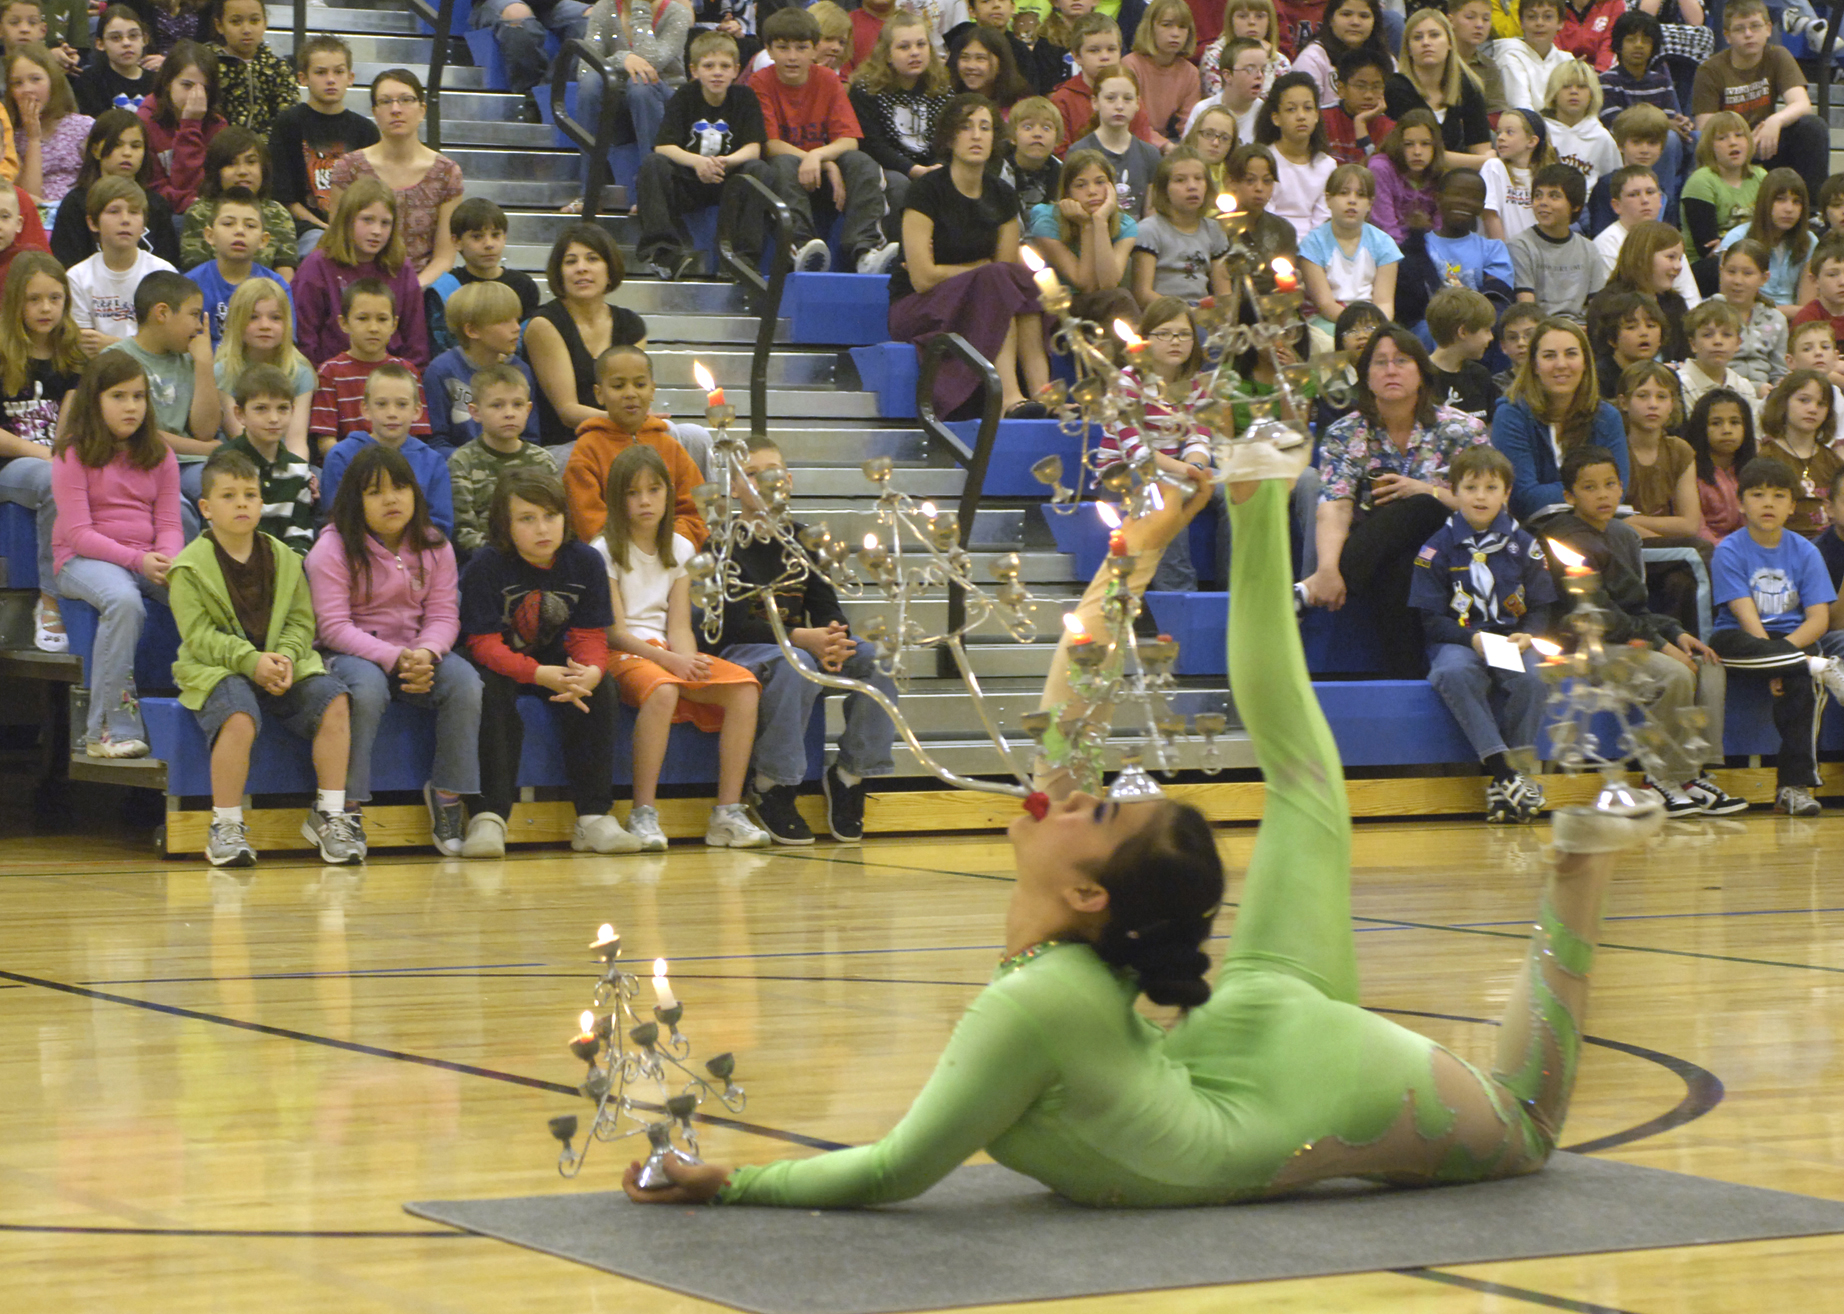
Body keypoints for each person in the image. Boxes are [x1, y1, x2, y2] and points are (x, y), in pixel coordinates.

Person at [619, 452, 1664, 1211]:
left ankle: (1577, 867)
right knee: (1303, 779)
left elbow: (896, 1170)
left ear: (1090, 895)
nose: (1067, 791)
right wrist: (1143, 543)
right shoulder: (1068, 955)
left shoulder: (1035, 1001)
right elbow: (1077, 694)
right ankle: (1263, 498)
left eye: (1097, 809)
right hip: (1257, 1047)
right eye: (1100, 798)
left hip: (1301, 1077)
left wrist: (732, 1181)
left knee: (1523, 1132)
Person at [171, 445, 360, 867]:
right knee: (237, 715)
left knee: (335, 701)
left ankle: (330, 814)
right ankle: (225, 825)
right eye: (229, 495)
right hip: (217, 670)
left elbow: (301, 621)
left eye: (250, 495)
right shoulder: (188, 567)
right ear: (205, 507)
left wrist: (287, 657)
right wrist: (250, 661)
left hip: (282, 667)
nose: (242, 503)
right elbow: (199, 637)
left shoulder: (285, 557)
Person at [702, 434, 896, 843]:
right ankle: (772, 785)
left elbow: (827, 605)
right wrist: (803, 639)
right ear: (733, 488)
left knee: (878, 658)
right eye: (749, 475)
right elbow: (730, 625)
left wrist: (833, 637)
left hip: (800, 642)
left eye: (770, 474)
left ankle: (850, 775)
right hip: (740, 649)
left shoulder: (805, 540)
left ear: (787, 480)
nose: (760, 483)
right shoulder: (721, 543)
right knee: (798, 663)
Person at [1544, 442, 1742, 816]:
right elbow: (1598, 614)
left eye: (1609, 484)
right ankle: (1658, 779)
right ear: (1570, 495)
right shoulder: (1564, 537)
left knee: (1710, 664)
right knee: (1673, 673)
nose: (1602, 494)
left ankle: (1691, 774)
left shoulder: (1623, 534)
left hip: (1629, 635)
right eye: (1589, 487)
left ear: (1621, 488)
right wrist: (1660, 645)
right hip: (1586, 645)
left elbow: (1637, 607)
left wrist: (1674, 632)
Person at [308, 441, 483, 859]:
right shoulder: (330, 549)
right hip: (353, 654)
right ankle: (344, 809)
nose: (391, 499)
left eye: (400, 488)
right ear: (355, 500)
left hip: (415, 653)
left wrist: (427, 652)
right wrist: (391, 656)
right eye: (375, 492)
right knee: (366, 689)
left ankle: (447, 796)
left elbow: (444, 615)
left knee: (466, 683)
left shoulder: (434, 544)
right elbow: (332, 627)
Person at [458, 466, 640, 857]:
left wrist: (590, 671)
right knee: (488, 691)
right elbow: (483, 644)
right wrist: (538, 674)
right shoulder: (485, 566)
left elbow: (590, 634)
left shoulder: (586, 561)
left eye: (551, 516)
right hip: (501, 661)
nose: (543, 528)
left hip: (558, 657)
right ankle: (488, 817)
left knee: (602, 688)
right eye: (527, 519)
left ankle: (594, 817)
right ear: (504, 525)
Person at [595, 444, 770, 850]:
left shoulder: (682, 548)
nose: (644, 501)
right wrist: (669, 662)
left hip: (666, 650)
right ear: (617, 499)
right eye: (633, 493)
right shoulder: (602, 550)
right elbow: (615, 633)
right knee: (664, 688)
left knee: (744, 686)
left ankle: (727, 813)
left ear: (668, 495)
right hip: (626, 654)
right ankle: (642, 813)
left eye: (654, 490)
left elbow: (679, 625)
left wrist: (687, 658)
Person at [1302, 325, 1490, 678]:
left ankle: (1310, 592)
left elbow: (1488, 506)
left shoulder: (1464, 430)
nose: (1391, 370)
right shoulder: (1345, 433)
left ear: (1421, 372)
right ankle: (1404, 681)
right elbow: (1335, 504)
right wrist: (1327, 567)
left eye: (1402, 361)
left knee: (1423, 506)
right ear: (1366, 377)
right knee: (1403, 564)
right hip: (1383, 556)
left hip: (1455, 549)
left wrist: (1425, 490)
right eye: (1380, 362)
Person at [1408, 444, 1553, 823]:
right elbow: (1430, 618)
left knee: (1534, 677)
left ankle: (1514, 776)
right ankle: (1506, 774)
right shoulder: (1435, 549)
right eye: (1471, 488)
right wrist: (1470, 639)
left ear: (1506, 494)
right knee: (1452, 673)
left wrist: (1528, 635)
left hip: (1508, 638)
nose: (1481, 496)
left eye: (1491, 488)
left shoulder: (1524, 545)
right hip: (1460, 639)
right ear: (1454, 493)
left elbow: (1541, 606)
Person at [51, 351, 182, 758]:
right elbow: (79, 534)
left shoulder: (160, 453)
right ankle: (106, 729)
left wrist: (168, 561)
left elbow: (171, 524)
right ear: (95, 401)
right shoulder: (71, 452)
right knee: (125, 602)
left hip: (144, 557)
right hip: (81, 560)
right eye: (119, 397)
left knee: (200, 593)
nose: (131, 407)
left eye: (139, 397)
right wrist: (137, 561)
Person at [893, 94, 1049, 419]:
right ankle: (1008, 397)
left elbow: (1007, 272)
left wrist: (971, 272)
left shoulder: (1002, 194)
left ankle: (1045, 395)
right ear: (950, 138)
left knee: (1021, 280)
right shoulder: (926, 190)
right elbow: (922, 278)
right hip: (918, 305)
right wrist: (977, 270)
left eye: (985, 127)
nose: (977, 136)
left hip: (979, 296)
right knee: (996, 279)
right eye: (966, 127)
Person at [1707, 455, 1836, 816]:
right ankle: (1816, 665)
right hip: (1739, 639)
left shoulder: (1806, 551)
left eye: (1779, 495)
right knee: (1803, 667)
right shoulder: (1729, 550)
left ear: (1792, 505)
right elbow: (1743, 613)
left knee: (1803, 682)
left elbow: (1818, 619)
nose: (1768, 503)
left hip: (1791, 639)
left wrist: (1780, 661)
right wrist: (1774, 660)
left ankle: (1793, 787)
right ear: (1741, 502)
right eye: (1758, 494)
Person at [747, 6, 895, 275]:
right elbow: (769, 145)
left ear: (814, 50)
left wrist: (817, 157)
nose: (792, 57)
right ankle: (801, 247)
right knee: (782, 163)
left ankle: (865, 251)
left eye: (802, 48)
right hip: (790, 172)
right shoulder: (760, 82)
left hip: (821, 172)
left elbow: (849, 140)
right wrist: (824, 162)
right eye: (783, 48)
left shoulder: (827, 79)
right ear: (768, 50)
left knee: (861, 162)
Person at [631, 28, 773, 281]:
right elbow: (664, 146)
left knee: (759, 170)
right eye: (708, 66)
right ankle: (664, 254)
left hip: (729, 181)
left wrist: (724, 162)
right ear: (694, 70)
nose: (717, 72)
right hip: (690, 180)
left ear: (736, 70)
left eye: (724, 66)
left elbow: (754, 148)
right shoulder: (685, 96)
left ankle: (741, 259)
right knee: (654, 164)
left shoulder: (745, 96)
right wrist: (698, 162)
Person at [1096, 295, 1214, 588]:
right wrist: (1187, 472)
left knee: (1239, 490)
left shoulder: (1196, 384)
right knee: (1166, 489)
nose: (1175, 341)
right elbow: (1137, 452)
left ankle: (1233, 583)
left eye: (1184, 334)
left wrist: (1196, 464)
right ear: (1145, 339)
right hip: (1123, 474)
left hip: (1180, 469)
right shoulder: (1126, 382)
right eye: (1164, 334)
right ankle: (1178, 591)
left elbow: (1200, 436)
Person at [0, 248, 82, 650]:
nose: (46, 308)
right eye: (34, 299)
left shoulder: (73, 355)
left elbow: (69, 429)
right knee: (54, 478)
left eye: (55, 298)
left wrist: (58, 455)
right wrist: (42, 454)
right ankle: (49, 598)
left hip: (56, 460)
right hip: (10, 466)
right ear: (17, 301)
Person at [326, 70, 463, 287]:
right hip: (358, 287)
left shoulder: (447, 172)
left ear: (422, 110)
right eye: (386, 101)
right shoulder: (348, 167)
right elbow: (336, 241)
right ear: (375, 112)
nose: (396, 109)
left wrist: (410, 291)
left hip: (421, 288)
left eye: (406, 100)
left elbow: (444, 257)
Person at [523, 222, 648, 451]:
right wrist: (625, 423)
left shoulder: (631, 326)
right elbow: (567, 411)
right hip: (567, 445)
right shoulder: (544, 324)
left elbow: (635, 396)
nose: (581, 268)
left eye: (592, 259)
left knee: (693, 435)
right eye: (571, 261)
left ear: (610, 270)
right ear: (560, 274)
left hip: (620, 435)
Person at [1490, 314, 1627, 519]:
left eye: (1571, 354)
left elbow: (1618, 490)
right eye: (1549, 356)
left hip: (1600, 527)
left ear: (1585, 363)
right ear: (1535, 365)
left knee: (1684, 551)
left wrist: (1583, 491)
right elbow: (1524, 498)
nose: (1561, 364)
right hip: (1534, 535)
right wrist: (1592, 488)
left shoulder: (1607, 416)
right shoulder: (1511, 415)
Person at [1692, 0, 1827, 200]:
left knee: (1812, 127)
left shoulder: (1778, 55)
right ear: (1727, 36)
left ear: (1768, 29)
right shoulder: (1710, 70)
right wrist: (1743, 142)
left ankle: (1813, 208)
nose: (1748, 34)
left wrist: (1775, 120)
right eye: (1740, 29)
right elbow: (1705, 128)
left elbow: (1802, 104)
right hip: (1730, 149)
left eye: (1755, 26)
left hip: (1767, 143)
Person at [104, 270, 219, 502]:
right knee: (184, 504)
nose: (199, 326)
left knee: (227, 491)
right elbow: (136, 434)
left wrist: (205, 364)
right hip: (138, 461)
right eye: (194, 315)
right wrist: (204, 449)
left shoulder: (191, 360)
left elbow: (205, 431)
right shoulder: (116, 359)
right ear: (162, 313)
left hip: (189, 464)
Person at [291, 177, 429, 368]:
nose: (377, 231)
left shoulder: (401, 268)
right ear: (347, 220)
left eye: (385, 223)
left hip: (390, 379)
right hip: (330, 378)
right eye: (367, 220)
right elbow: (304, 339)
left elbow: (416, 341)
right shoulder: (317, 266)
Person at [268, 34, 378, 261]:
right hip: (305, 229)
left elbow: (372, 195)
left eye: (338, 72)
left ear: (351, 77)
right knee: (321, 250)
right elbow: (285, 198)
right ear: (303, 77)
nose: (331, 79)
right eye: (320, 72)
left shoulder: (366, 130)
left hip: (357, 229)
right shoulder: (288, 124)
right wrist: (325, 228)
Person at [572, 0, 691, 205]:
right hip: (619, 100)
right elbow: (585, 67)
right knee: (591, 83)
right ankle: (591, 191)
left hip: (664, 100)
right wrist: (623, 58)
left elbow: (649, 62)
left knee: (641, 83)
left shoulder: (676, 13)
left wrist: (640, 9)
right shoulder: (604, 8)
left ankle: (653, 193)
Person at [849, 11, 952, 242]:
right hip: (886, 168)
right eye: (904, 47)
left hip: (931, 166)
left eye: (921, 44)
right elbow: (872, 144)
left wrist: (937, 167)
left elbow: (947, 139)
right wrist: (912, 169)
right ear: (887, 54)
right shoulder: (867, 89)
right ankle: (898, 252)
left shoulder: (942, 88)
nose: (915, 52)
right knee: (899, 184)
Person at [320, 363, 451, 537]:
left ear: (417, 411)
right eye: (381, 404)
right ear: (365, 410)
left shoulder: (433, 461)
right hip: (357, 552)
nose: (391, 413)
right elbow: (337, 519)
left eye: (402, 404)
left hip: (417, 554)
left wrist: (403, 550)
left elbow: (440, 524)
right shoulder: (341, 456)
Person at [307, 278, 431, 456]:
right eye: (363, 318)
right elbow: (325, 440)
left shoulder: (407, 372)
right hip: (350, 468)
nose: (373, 328)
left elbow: (417, 436)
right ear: (344, 323)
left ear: (394, 325)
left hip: (400, 466)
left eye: (382, 319)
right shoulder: (330, 372)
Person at [49, 109, 181, 269]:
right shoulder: (76, 204)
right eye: (116, 145)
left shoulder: (157, 205)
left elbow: (169, 268)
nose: (127, 153)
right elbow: (66, 266)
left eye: (136, 146)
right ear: (96, 150)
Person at [449, 362, 556, 557]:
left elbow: (557, 518)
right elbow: (462, 533)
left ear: (528, 409)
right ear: (475, 412)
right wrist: (509, 553)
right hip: (488, 561)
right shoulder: (461, 462)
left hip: (540, 555)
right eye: (497, 405)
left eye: (517, 404)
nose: (509, 413)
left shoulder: (542, 460)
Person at [1393, 167, 1513, 330]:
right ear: (1438, 198)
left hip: (1477, 329)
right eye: (1456, 194)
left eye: (1473, 197)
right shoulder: (1418, 246)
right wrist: (1415, 239)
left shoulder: (1493, 249)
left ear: (1481, 207)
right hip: (1430, 331)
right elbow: (1410, 304)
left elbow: (1497, 299)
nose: (1464, 201)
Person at [425, 280, 537, 455]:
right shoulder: (441, 370)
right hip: (459, 470)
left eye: (517, 319)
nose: (516, 328)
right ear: (472, 330)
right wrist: (474, 463)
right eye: (504, 321)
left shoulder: (521, 370)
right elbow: (436, 441)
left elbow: (530, 438)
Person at [67, 176, 176, 350]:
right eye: (114, 211)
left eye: (134, 212)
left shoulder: (163, 273)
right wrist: (139, 346)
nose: (125, 219)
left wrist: (116, 345)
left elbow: (166, 342)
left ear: (143, 226)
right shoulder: (77, 277)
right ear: (93, 223)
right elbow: (84, 345)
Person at [177, 127, 297, 279]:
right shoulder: (199, 212)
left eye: (251, 162)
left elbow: (285, 274)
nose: (242, 171)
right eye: (231, 164)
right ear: (216, 171)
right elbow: (197, 274)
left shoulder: (278, 213)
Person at [214, 276, 313, 459]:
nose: (265, 326)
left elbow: (296, 441)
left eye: (275, 318)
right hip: (239, 463)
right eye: (253, 317)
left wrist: (297, 476)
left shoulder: (300, 372)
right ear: (237, 322)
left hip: (285, 461)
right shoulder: (223, 372)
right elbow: (240, 436)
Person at [221, 362, 312, 555]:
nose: (273, 418)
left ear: (293, 411)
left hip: (285, 568)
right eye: (261, 408)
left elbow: (300, 534)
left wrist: (289, 570)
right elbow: (216, 529)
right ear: (240, 414)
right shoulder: (223, 463)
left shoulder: (298, 469)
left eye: (282, 408)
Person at [1027, 147, 1137, 303]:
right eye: (1080, 185)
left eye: (1100, 182)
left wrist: (1100, 221)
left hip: (1103, 303)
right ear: (1067, 192)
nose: (1092, 191)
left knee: (1120, 298)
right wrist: (1086, 226)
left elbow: (1109, 284)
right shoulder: (1047, 220)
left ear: (1112, 187)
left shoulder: (1126, 224)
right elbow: (1085, 285)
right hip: (1060, 307)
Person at [1385, 8, 1492, 167]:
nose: (1426, 42)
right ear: (1408, 49)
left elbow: (1481, 148)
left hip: (1456, 177)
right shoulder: (1396, 87)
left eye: (1434, 35)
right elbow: (1421, 155)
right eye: (1417, 37)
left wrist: (1485, 161)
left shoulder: (1468, 85)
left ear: (1450, 42)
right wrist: (1482, 161)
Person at [1299, 159, 1399, 328]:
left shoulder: (1384, 244)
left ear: (1370, 203)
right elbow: (1325, 305)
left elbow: (1385, 303)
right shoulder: (1312, 244)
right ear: (1328, 199)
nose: (1352, 200)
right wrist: (1358, 326)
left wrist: (1374, 327)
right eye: (1344, 193)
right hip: (1328, 320)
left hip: (1372, 320)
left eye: (1360, 195)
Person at [424, 196, 542, 336]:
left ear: (504, 238)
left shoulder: (524, 286)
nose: (489, 244)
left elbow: (527, 340)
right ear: (457, 241)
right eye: (477, 237)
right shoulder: (446, 289)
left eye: (495, 235)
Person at [185, 187, 286, 348]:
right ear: (209, 235)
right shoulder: (190, 285)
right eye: (228, 223)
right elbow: (185, 345)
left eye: (250, 226)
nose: (239, 231)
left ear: (263, 240)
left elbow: (286, 343)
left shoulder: (277, 285)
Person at [1131, 146, 1231, 306]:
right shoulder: (1149, 230)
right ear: (1164, 190)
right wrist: (1184, 312)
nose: (1192, 186)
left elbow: (1224, 294)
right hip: (1164, 314)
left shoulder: (1214, 230)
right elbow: (1142, 294)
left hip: (1203, 312)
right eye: (1180, 180)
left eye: (1198, 178)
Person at [1590, 167, 1698, 315]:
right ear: (1617, 205)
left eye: (1650, 192)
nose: (1645, 200)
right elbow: (1613, 301)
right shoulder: (1606, 243)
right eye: (1633, 194)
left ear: (1660, 200)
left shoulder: (1669, 240)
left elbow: (1690, 298)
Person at [136, 39, 225, 213]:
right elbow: (153, 188)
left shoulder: (217, 125)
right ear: (168, 82)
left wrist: (191, 123)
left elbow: (207, 185)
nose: (195, 95)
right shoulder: (145, 122)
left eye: (204, 89)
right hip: (161, 212)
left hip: (207, 210)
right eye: (186, 85)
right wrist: (190, 124)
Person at [1617, 357, 1703, 538]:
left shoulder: (1680, 450)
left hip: (1667, 546)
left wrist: (1630, 522)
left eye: (1662, 396)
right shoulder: (1613, 448)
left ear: (1672, 404)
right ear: (1624, 402)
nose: (1653, 404)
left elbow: (1689, 524)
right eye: (1642, 395)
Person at [1587, 218, 1694, 360]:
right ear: (1643, 257)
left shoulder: (1675, 304)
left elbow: (1685, 358)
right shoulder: (1608, 303)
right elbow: (1601, 360)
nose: (1678, 266)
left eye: (1679, 259)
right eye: (1671, 257)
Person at [471, 0, 592, 125]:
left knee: (592, 17)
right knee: (517, 15)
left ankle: (548, 94)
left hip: (552, 5)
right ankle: (530, 97)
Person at [1048, 14, 1155, 150]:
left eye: (1111, 49)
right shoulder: (1063, 100)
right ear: (1076, 56)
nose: (1105, 57)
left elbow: (1143, 150)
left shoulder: (1129, 97)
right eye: (1094, 50)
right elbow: (1060, 152)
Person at [1756, 368, 1840, 539]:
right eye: (1804, 400)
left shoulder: (1833, 461)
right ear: (1784, 403)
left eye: (1821, 404)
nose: (1813, 409)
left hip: (1829, 545)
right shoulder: (1767, 459)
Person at [6, 40, 90, 206]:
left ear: (53, 81)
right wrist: (33, 137)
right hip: (38, 218)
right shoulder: (10, 137)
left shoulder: (83, 127)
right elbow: (29, 199)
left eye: (36, 79)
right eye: (18, 83)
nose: (27, 89)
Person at [1067, 67, 1159, 219]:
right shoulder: (1079, 152)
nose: (1119, 106)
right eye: (1110, 98)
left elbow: (1151, 213)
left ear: (1137, 103)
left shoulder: (1150, 154)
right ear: (1095, 102)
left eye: (1127, 98)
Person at [1716, 169, 1812, 312]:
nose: (1789, 209)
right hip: (1745, 318)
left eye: (1796, 202)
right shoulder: (1736, 238)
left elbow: (1806, 308)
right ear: (1765, 202)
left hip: (1794, 324)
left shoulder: (1810, 240)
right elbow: (1730, 298)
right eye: (1780, 199)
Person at [1255, 70, 1333, 241]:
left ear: (1316, 116)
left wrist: (1310, 253)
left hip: (1314, 248)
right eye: (1291, 109)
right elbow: (1265, 216)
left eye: (1308, 108)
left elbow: (1323, 219)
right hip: (1272, 242)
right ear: (1276, 118)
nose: (1301, 116)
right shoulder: (1263, 160)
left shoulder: (1327, 165)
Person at [204, 0, 295, 143]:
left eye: (254, 20)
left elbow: (287, 118)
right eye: (236, 22)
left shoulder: (278, 67)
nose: (246, 29)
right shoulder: (207, 64)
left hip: (267, 154)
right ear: (219, 25)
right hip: (218, 151)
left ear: (265, 22)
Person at [1581, 104, 1678, 239]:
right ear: (1620, 145)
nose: (1645, 149)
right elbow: (1601, 234)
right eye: (1637, 142)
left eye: (1652, 143)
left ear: (1662, 147)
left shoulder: (1662, 193)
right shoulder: (1607, 185)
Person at [1678, 110, 1762, 265]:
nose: (1733, 142)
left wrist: (1725, 242)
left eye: (1739, 135)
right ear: (1710, 147)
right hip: (1707, 265)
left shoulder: (1761, 176)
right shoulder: (1701, 181)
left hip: (1754, 258)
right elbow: (1707, 249)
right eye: (1722, 138)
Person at [1123, 0, 1199, 146]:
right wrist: (1165, 146)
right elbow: (1132, 122)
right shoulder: (1130, 65)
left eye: (1182, 27)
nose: (1175, 33)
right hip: (1132, 141)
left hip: (1171, 143)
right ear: (1150, 28)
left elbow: (1188, 125)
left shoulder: (1190, 72)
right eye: (1167, 25)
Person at [1685, 386, 1754, 545]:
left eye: (1735, 422)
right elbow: (1697, 529)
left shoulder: (1755, 470)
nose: (1727, 430)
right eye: (1716, 423)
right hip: (1706, 552)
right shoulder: (1689, 471)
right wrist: (1727, 553)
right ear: (1701, 428)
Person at [1290, 0, 1389, 108]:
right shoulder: (1312, 59)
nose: (1355, 22)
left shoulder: (1386, 58)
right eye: (1346, 14)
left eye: (1364, 16)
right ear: (1330, 19)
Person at [1720, 240, 1788, 396]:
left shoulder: (1776, 319)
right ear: (1721, 272)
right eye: (1731, 272)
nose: (1738, 281)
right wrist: (1754, 389)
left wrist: (1777, 391)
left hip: (1766, 397)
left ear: (1764, 278)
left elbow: (1779, 371)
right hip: (1723, 394)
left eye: (1747, 273)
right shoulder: (1708, 314)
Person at [1541, 57, 1617, 194]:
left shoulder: (1602, 137)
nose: (1574, 91)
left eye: (1581, 87)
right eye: (1566, 86)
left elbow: (1614, 183)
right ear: (1554, 93)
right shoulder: (1540, 132)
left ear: (1592, 94)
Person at [1424, 286, 1500, 422]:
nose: (1491, 337)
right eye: (1487, 330)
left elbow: (1489, 429)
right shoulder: (1421, 377)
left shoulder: (1480, 375)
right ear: (1463, 332)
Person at [1364, 108, 1440, 242]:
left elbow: (1440, 231)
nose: (1417, 152)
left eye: (1425, 144)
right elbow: (1385, 228)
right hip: (1388, 250)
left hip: (1430, 252)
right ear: (1398, 144)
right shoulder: (1381, 168)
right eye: (1408, 144)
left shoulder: (1441, 173)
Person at [1674, 299, 1757, 416]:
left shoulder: (1744, 387)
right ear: (1693, 344)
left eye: (1726, 335)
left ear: (1738, 343)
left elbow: (1752, 432)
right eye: (1707, 335)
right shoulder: (1680, 385)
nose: (1718, 341)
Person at [1481, 107, 1552, 242]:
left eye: (1510, 132)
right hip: (1502, 254)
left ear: (1531, 141)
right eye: (1499, 132)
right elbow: (1490, 216)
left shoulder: (1545, 174)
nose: (1501, 138)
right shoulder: (1494, 167)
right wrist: (1503, 256)